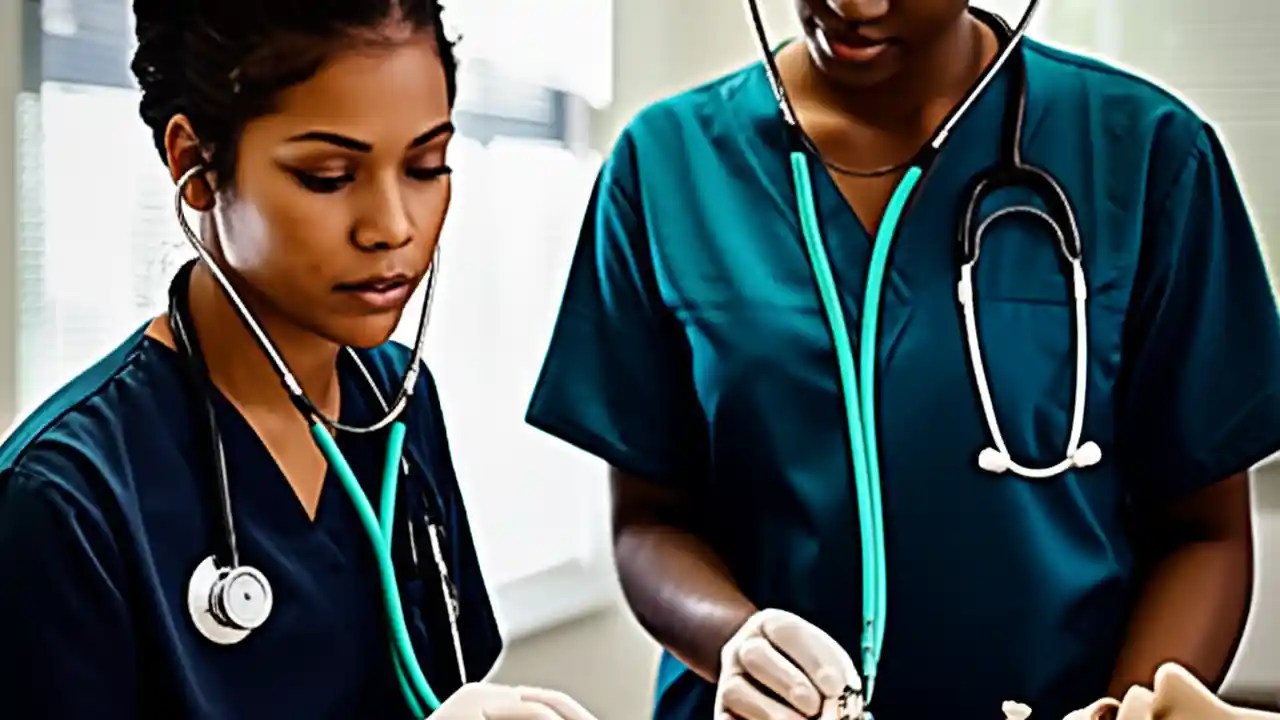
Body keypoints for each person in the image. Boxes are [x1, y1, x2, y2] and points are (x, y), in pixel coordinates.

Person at [524, 0, 1280, 718]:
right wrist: (738, 645)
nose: (852, 7)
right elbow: (648, 523)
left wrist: (1126, 710)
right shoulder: (666, 165)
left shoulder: (1148, 155)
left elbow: (1203, 533)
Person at [0, 2, 598, 719]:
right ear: (194, 165)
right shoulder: (66, 500)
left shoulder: (399, 406)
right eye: (328, 175)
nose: (394, 227)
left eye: (426, 165)